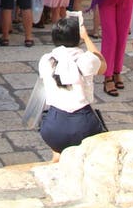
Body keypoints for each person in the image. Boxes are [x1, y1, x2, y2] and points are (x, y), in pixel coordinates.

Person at [38, 17, 106, 160]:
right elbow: (103, 64)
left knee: (57, 156)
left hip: (53, 126)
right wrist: (86, 37)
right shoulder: (87, 60)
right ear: (77, 38)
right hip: (84, 126)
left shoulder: (46, 60)